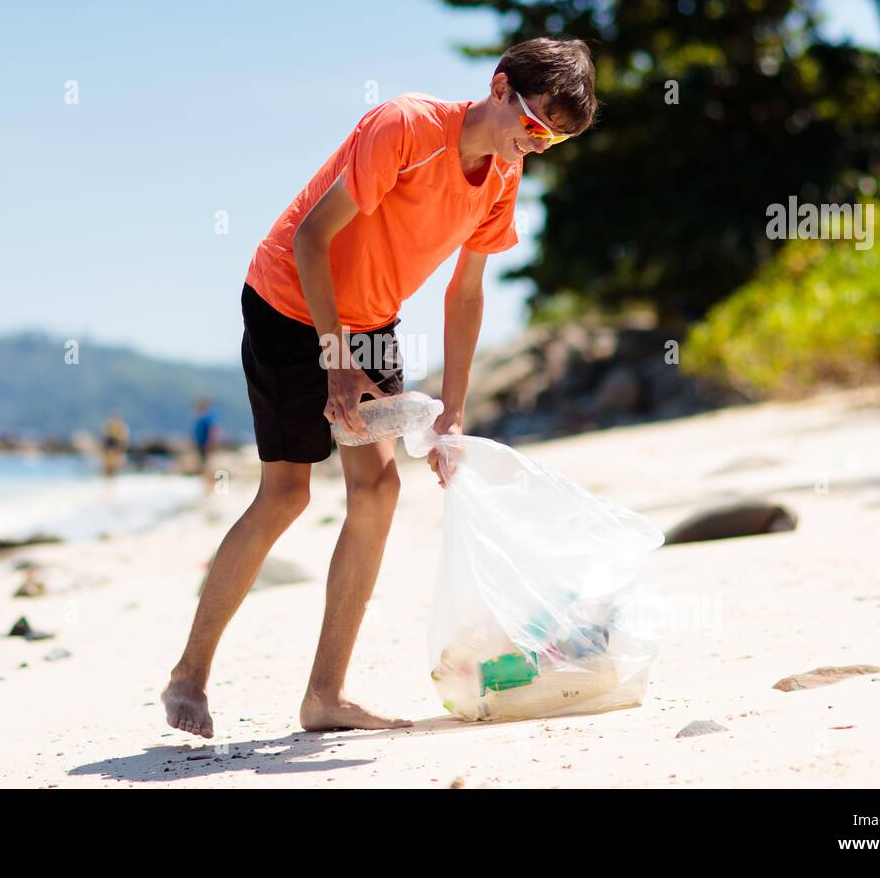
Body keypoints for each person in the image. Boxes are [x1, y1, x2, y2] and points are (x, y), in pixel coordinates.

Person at [161, 37, 598, 737]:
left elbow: (466, 295)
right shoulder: (405, 127)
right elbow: (310, 238)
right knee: (287, 493)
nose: (538, 146)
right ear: (499, 87)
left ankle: (323, 698)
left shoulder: (502, 180)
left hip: (369, 320)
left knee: (379, 489)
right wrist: (335, 360)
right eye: (537, 125)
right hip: (287, 300)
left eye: (555, 140)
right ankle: (189, 677)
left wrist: (454, 407)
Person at [192, 398, 220, 494]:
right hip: (202, 445)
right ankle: (208, 487)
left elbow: (213, 431)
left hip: (205, 445)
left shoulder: (207, 418)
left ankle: (211, 487)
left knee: (208, 466)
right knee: (205, 466)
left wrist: (211, 443)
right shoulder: (203, 417)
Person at [101, 412, 129, 478]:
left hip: (113, 445)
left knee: (111, 461)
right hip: (111, 445)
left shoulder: (113, 426)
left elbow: (123, 439)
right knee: (111, 461)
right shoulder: (112, 426)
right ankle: (109, 473)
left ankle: (109, 474)